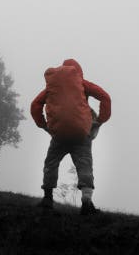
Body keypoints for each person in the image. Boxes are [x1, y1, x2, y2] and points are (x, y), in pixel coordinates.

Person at [30, 58, 111, 215]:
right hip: (82, 135)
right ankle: (87, 204)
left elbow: (35, 105)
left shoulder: (52, 86)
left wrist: (44, 125)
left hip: (59, 134)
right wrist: (100, 120)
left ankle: (47, 199)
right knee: (85, 166)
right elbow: (105, 98)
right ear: (77, 71)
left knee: (51, 163)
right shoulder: (82, 83)